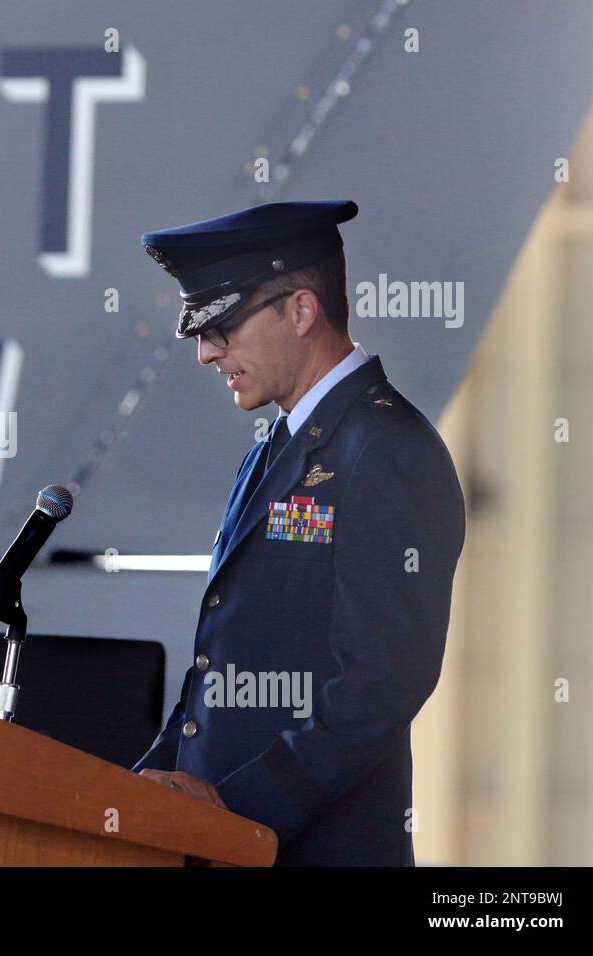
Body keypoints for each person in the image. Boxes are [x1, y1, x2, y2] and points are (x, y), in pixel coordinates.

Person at [131, 200, 466, 866]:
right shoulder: (274, 452)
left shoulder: (386, 449)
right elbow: (214, 677)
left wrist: (242, 812)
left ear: (302, 311)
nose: (205, 352)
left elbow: (384, 679)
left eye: (221, 325)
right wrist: (139, 788)